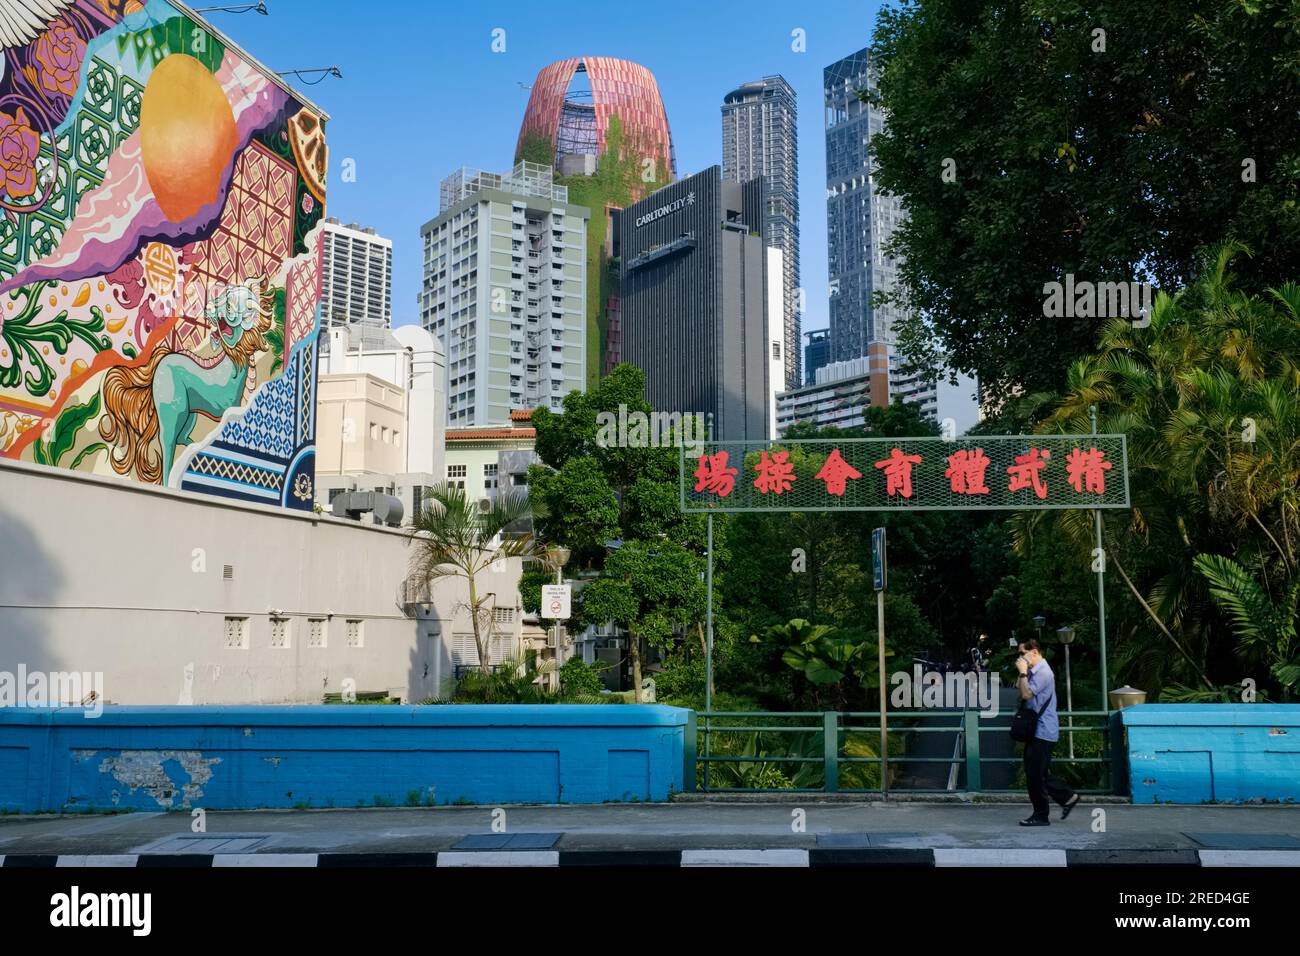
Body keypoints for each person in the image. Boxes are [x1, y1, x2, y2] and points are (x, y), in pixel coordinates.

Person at [1015, 639, 1080, 826]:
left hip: (1043, 731)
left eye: (1022, 653)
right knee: (1035, 772)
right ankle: (1068, 797)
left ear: (1034, 652)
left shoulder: (1043, 673)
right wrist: (1023, 674)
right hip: (1037, 730)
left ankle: (1041, 815)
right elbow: (1022, 692)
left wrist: (1022, 672)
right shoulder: (1035, 672)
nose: (1020, 657)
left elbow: (1026, 694)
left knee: (1035, 775)